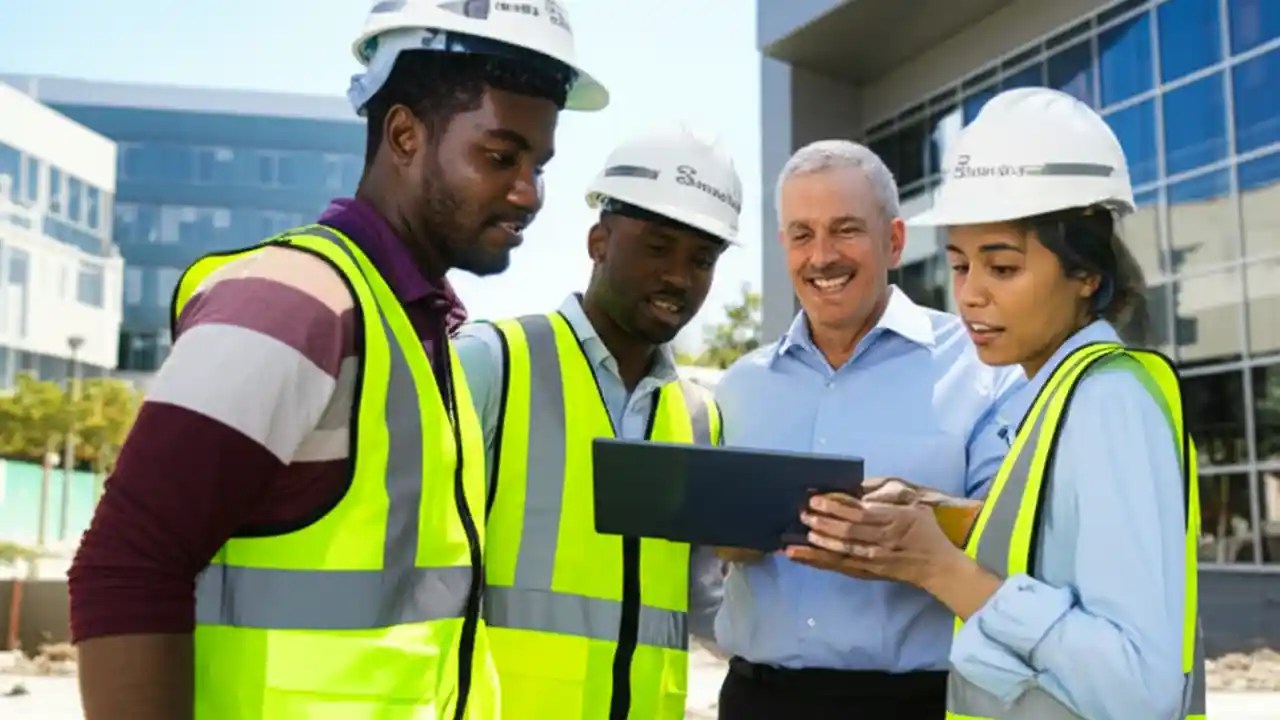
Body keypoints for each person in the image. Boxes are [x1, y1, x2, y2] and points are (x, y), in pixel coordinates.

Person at [68, 3, 606, 719]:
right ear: (406, 135)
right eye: (501, 157)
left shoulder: (423, 335)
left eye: (539, 165)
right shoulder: (296, 304)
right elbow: (127, 566)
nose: (529, 193)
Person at [790, 86, 1206, 719]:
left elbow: (1137, 688)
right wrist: (938, 512)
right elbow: (1049, 552)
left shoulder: (1107, 402)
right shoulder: (1052, 399)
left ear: (1086, 274)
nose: (972, 296)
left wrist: (940, 570)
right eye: (960, 267)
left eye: (1003, 268)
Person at [709, 139, 1022, 719]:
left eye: (845, 229)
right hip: (757, 701)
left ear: (895, 242)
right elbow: (717, 549)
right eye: (801, 234)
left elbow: (1017, 536)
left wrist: (921, 518)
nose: (821, 256)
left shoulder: (981, 369)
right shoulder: (739, 387)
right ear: (784, 246)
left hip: (915, 703)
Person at [453, 122, 741, 720]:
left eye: (703, 260)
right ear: (598, 241)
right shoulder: (492, 364)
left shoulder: (698, 417)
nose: (679, 278)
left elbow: (705, 600)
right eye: (658, 247)